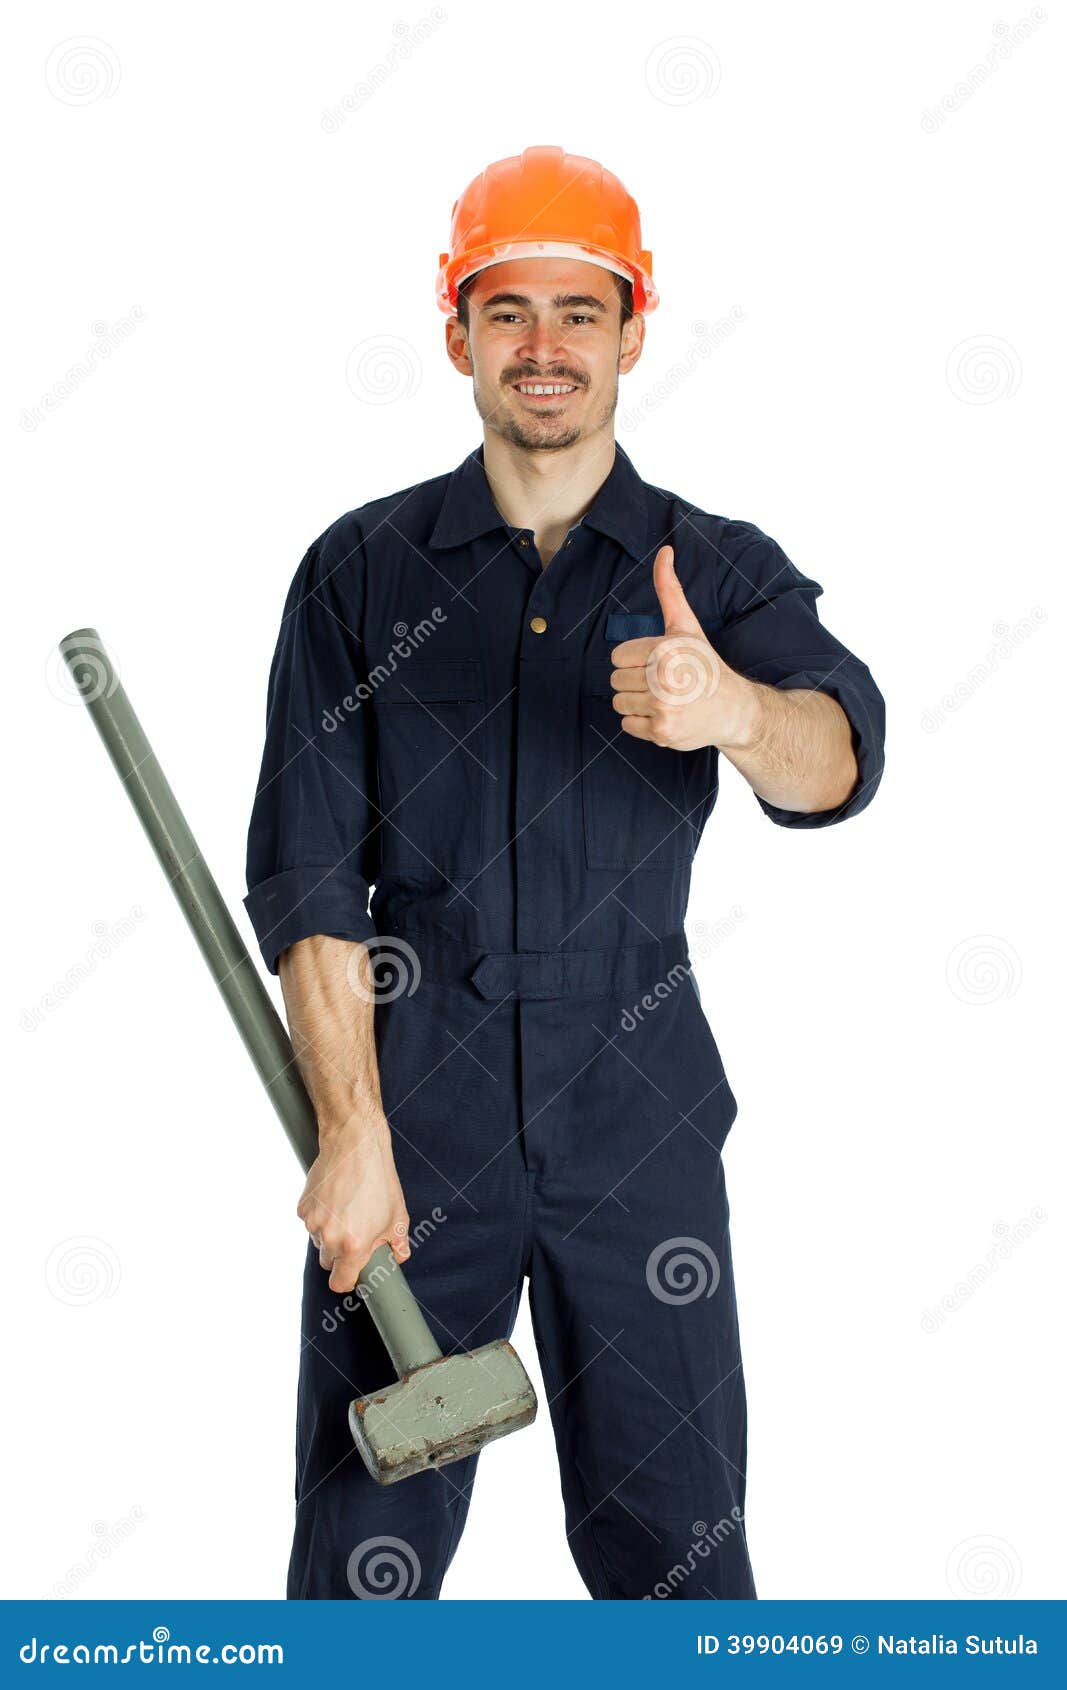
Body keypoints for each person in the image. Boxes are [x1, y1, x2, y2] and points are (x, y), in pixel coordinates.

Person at [243, 145, 886, 1601]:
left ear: (635, 330)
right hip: (419, 1127)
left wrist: (733, 709)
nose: (545, 346)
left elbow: (839, 755)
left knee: (682, 1561)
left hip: (636, 1115)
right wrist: (351, 1134)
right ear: (458, 330)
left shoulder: (709, 568)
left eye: (579, 312)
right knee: (364, 1570)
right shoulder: (361, 574)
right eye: (510, 309)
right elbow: (307, 880)